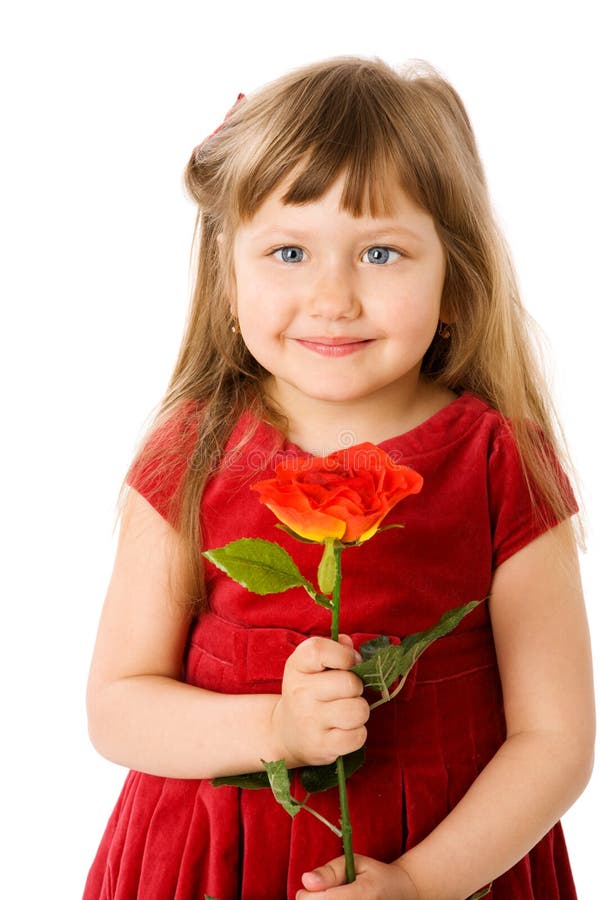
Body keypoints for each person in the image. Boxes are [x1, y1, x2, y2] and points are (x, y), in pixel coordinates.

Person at [83, 56, 594, 900]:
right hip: (213, 864)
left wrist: (424, 884)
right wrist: (277, 727)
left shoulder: (500, 460)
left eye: (382, 253)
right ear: (228, 276)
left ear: (456, 282)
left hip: (450, 863)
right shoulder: (193, 452)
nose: (333, 297)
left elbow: (557, 739)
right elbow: (118, 706)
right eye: (289, 250)